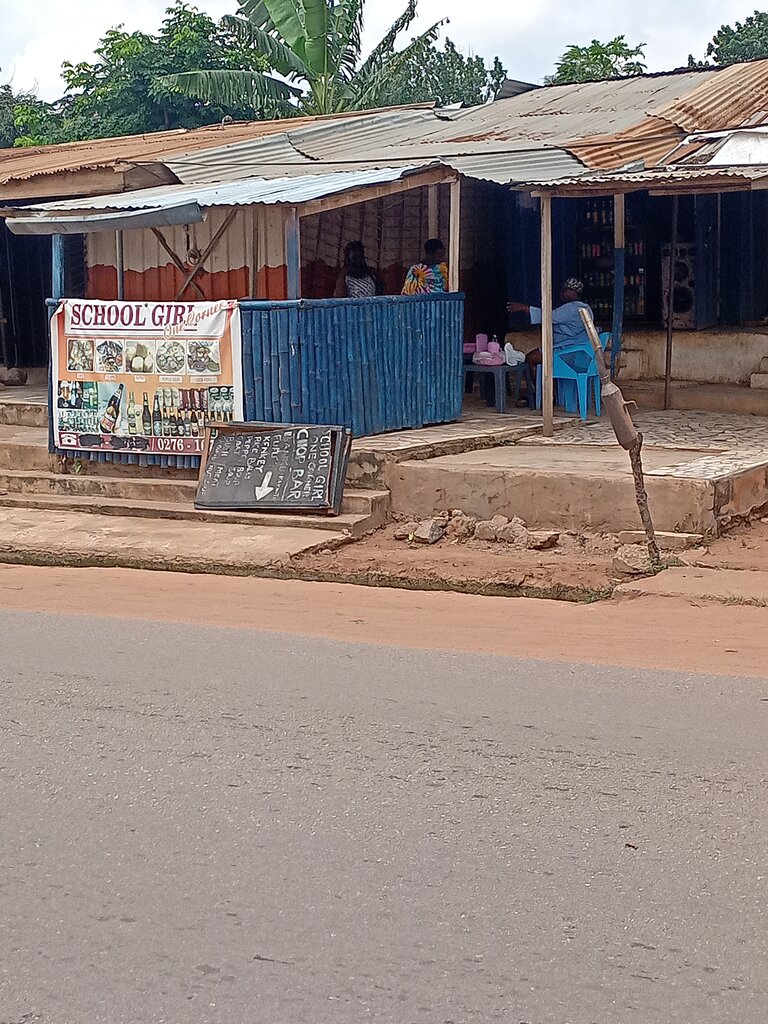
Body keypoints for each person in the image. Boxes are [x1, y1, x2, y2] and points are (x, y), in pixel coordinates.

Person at [507, 278, 593, 372]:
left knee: (531, 358)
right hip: (580, 351)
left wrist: (525, 308)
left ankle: (542, 387)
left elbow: (548, 316)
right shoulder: (586, 307)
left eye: (565, 291)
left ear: (573, 292)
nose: (561, 293)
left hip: (569, 351)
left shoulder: (572, 307)